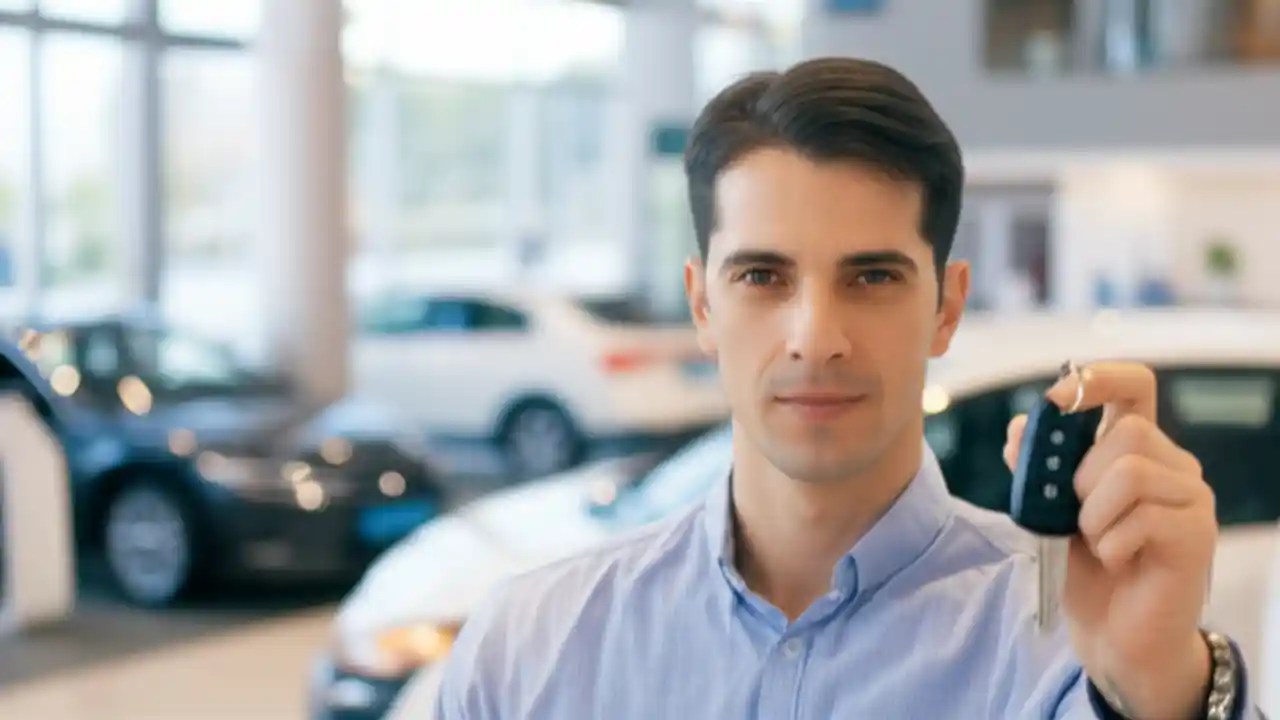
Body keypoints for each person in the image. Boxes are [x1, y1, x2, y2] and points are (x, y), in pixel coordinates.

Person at [433, 58, 1258, 719]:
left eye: (870, 277)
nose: (816, 338)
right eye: (762, 275)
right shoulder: (531, 648)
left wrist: (1160, 695)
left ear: (947, 307)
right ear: (702, 304)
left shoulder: (1067, 647)